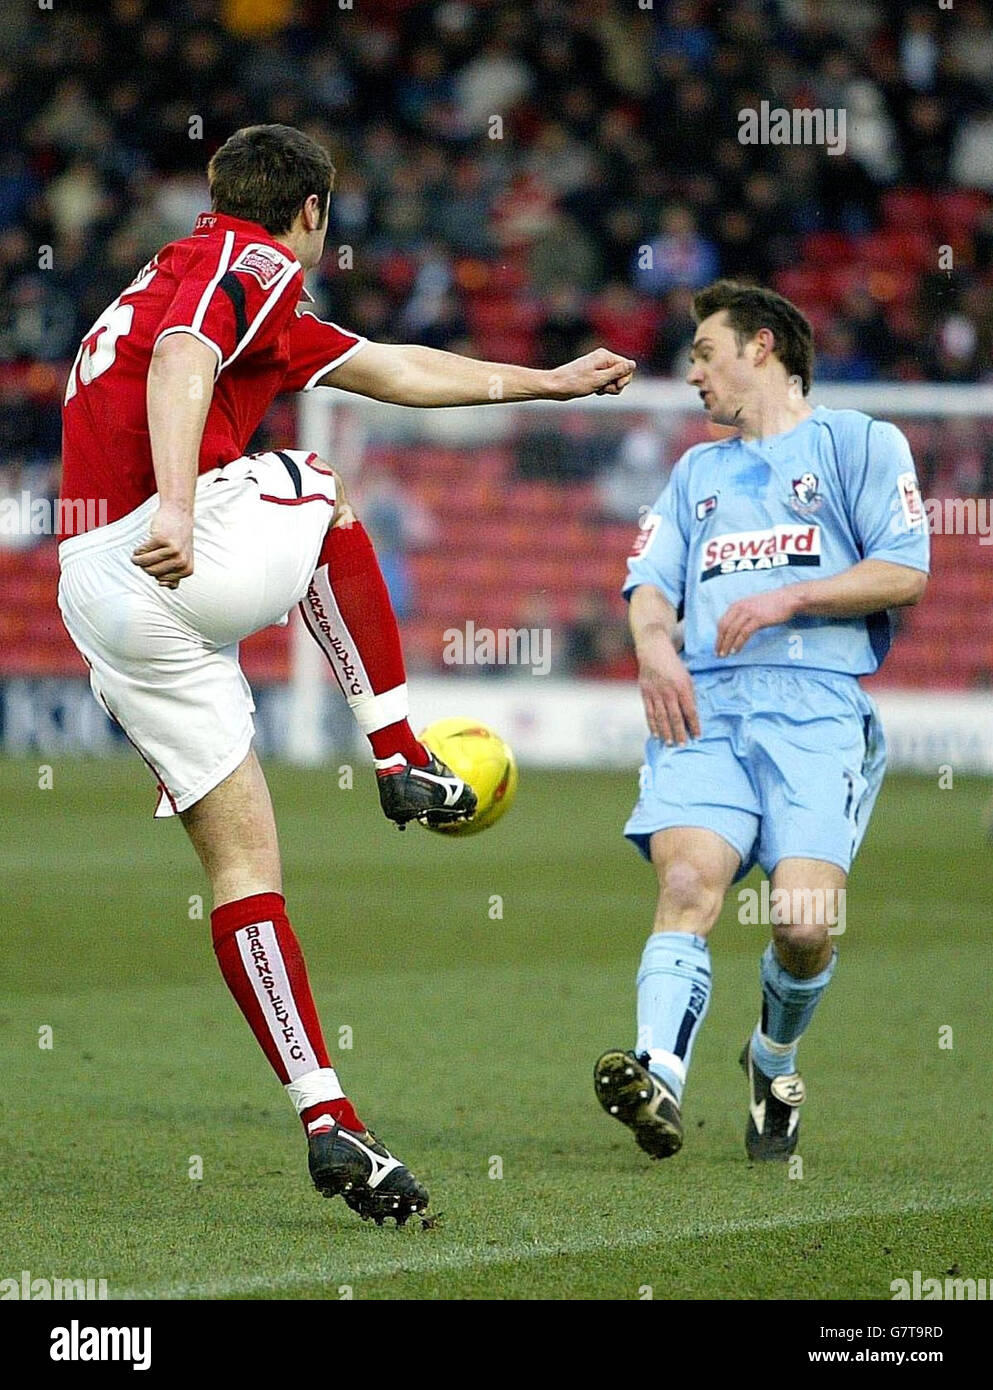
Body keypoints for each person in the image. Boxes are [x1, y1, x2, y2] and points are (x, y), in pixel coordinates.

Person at [57, 123, 636, 1225]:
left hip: (101, 596)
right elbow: (184, 360)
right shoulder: (247, 261)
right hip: (158, 539)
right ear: (312, 209)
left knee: (243, 869)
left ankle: (330, 1121)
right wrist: (180, 502)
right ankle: (400, 752)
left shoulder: (196, 280)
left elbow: (397, 368)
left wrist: (546, 383)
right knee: (318, 479)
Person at [595, 280, 928, 1162]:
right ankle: (657, 1074)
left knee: (804, 924)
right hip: (702, 706)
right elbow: (649, 585)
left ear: (763, 347)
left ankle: (771, 1056)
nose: (692, 372)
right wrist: (653, 648)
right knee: (686, 887)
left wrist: (793, 596)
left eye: (705, 353)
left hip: (815, 708)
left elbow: (904, 568)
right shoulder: (695, 470)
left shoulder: (858, 441)